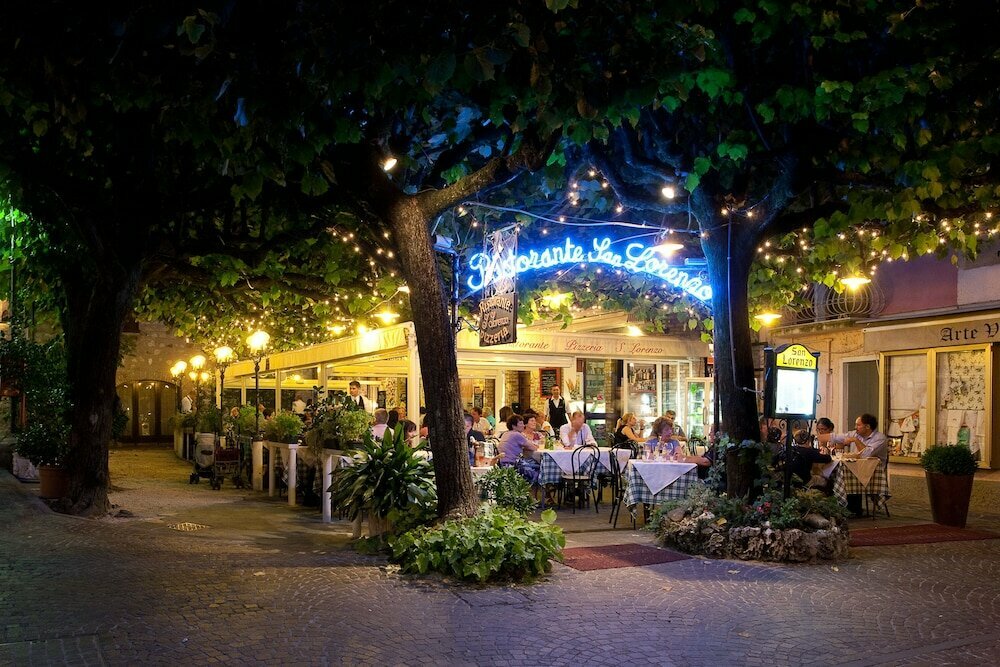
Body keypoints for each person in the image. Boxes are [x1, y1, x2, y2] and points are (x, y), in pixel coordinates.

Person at [819, 413, 888, 465]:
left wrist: (855, 440)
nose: (855, 427)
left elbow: (866, 455)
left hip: (873, 475)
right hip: (855, 469)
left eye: (858, 425)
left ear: (867, 426)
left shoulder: (880, 438)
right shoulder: (855, 433)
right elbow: (836, 437)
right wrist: (819, 437)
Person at [497, 414, 540, 484]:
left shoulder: (506, 434)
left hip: (502, 464)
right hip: (514, 465)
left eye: (523, 423)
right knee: (541, 468)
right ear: (514, 426)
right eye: (520, 423)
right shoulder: (517, 435)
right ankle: (535, 490)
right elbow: (534, 448)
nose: (523, 425)